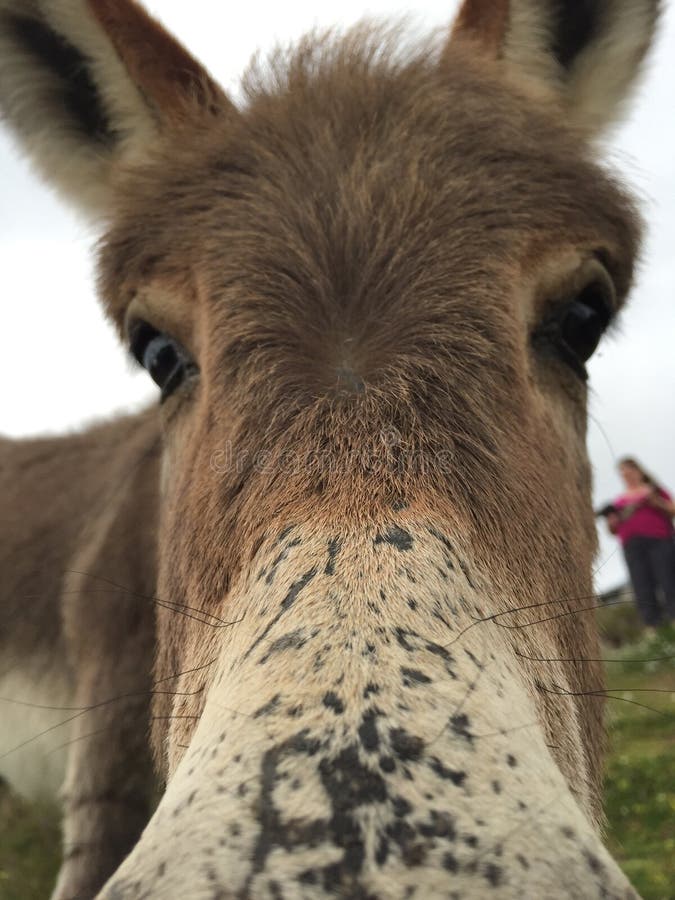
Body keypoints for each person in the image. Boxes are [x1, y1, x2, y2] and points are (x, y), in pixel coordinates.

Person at [604, 458, 675, 629]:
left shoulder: (654, 490)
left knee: (668, 579)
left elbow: (672, 510)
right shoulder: (618, 502)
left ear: (639, 471)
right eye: (622, 472)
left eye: (629, 470)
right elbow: (612, 530)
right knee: (641, 585)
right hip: (632, 545)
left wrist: (655, 502)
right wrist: (612, 521)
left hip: (659, 539)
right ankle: (654, 627)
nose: (626, 475)